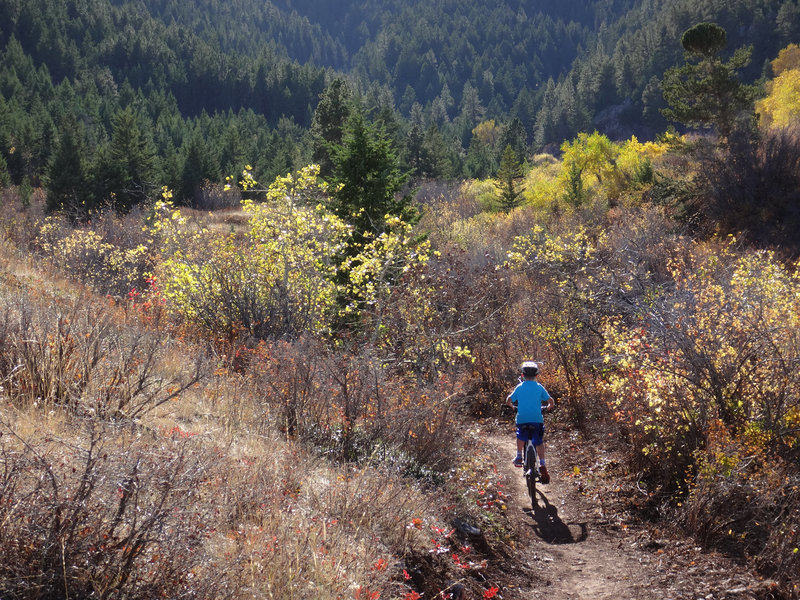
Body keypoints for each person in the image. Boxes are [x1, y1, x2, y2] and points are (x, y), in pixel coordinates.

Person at [506, 361, 554, 484]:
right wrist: (548, 407)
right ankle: (542, 463)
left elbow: (509, 400)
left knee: (520, 435)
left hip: (522, 419)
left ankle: (518, 456)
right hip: (537, 420)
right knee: (539, 442)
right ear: (537, 376)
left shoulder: (520, 387)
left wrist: (512, 406)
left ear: (522, 375)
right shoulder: (539, 387)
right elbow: (551, 401)